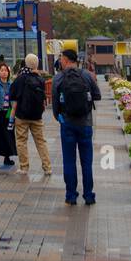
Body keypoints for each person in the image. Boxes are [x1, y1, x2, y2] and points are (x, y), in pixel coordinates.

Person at [52, 49, 101, 205]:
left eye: (61, 59)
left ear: (65, 60)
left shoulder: (58, 78)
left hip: (67, 124)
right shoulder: (86, 75)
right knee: (86, 162)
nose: (60, 61)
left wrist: (59, 116)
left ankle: (71, 196)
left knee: (69, 161)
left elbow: (54, 105)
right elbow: (97, 95)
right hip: (85, 124)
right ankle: (88, 195)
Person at [10, 53, 52, 177]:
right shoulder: (40, 79)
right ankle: (47, 167)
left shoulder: (20, 78)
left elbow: (12, 95)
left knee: (21, 141)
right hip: (37, 116)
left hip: (22, 115)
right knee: (41, 142)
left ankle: (24, 167)